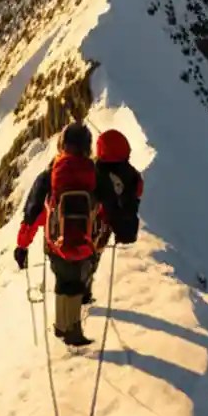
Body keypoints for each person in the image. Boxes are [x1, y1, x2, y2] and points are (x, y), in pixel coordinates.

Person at [14, 122, 100, 346]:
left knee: (64, 281)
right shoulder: (93, 173)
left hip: (56, 243)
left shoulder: (50, 175)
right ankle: (70, 331)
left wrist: (22, 246)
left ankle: (65, 328)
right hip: (85, 240)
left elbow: (32, 213)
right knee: (75, 283)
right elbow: (102, 206)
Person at [86, 129, 144, 304]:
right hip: (114, 224)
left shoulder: (95, 170)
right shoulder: (131, 173)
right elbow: (139, 190)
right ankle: (86, 287)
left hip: (96, 220)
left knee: (87, 254)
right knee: (94, 254)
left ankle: (82, 288)